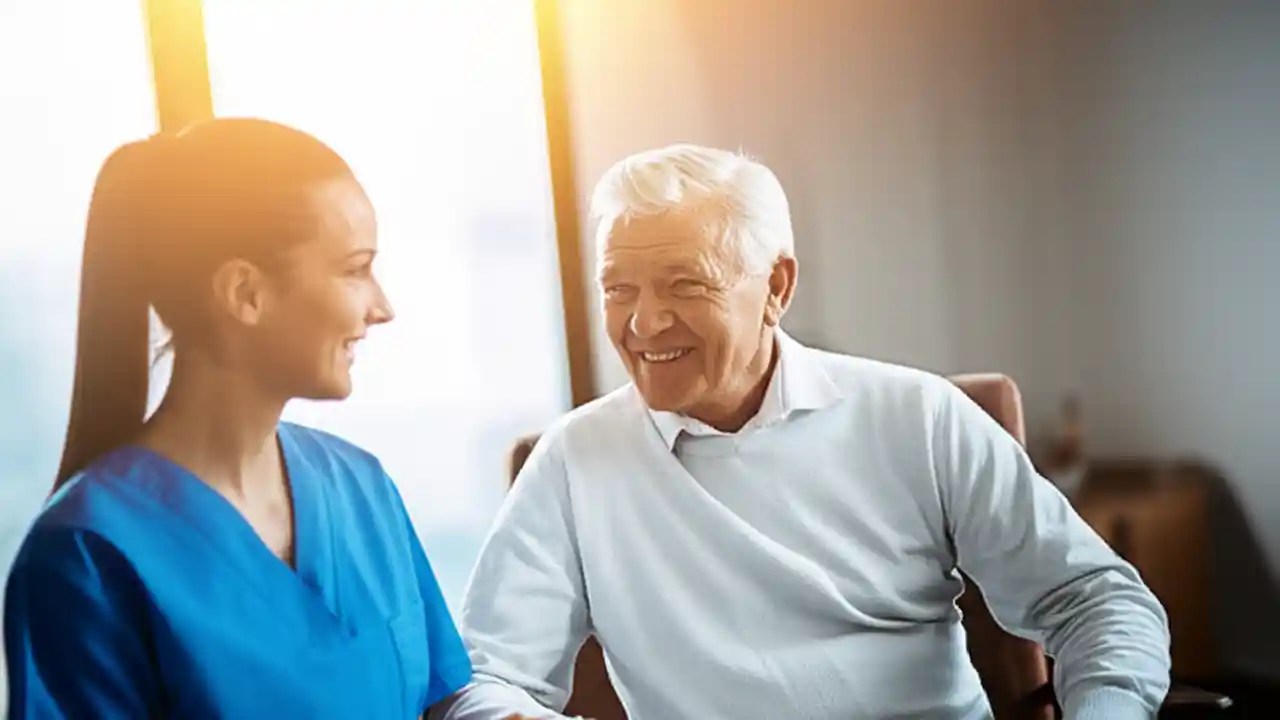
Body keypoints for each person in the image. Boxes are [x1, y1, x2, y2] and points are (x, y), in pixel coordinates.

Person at [433, 145, 1171, 719]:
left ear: (776, 287)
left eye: (685, 285)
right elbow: (488, 676)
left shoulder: (916, 417)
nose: (644, 323)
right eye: (618, 288)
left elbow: (1097, 599)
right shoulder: (574, 460)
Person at [3, 119, 471, 718]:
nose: (382, 307)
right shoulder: (88, 555)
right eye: (355, 270)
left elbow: (439, 699)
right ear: (246, 293)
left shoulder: (362, 488)